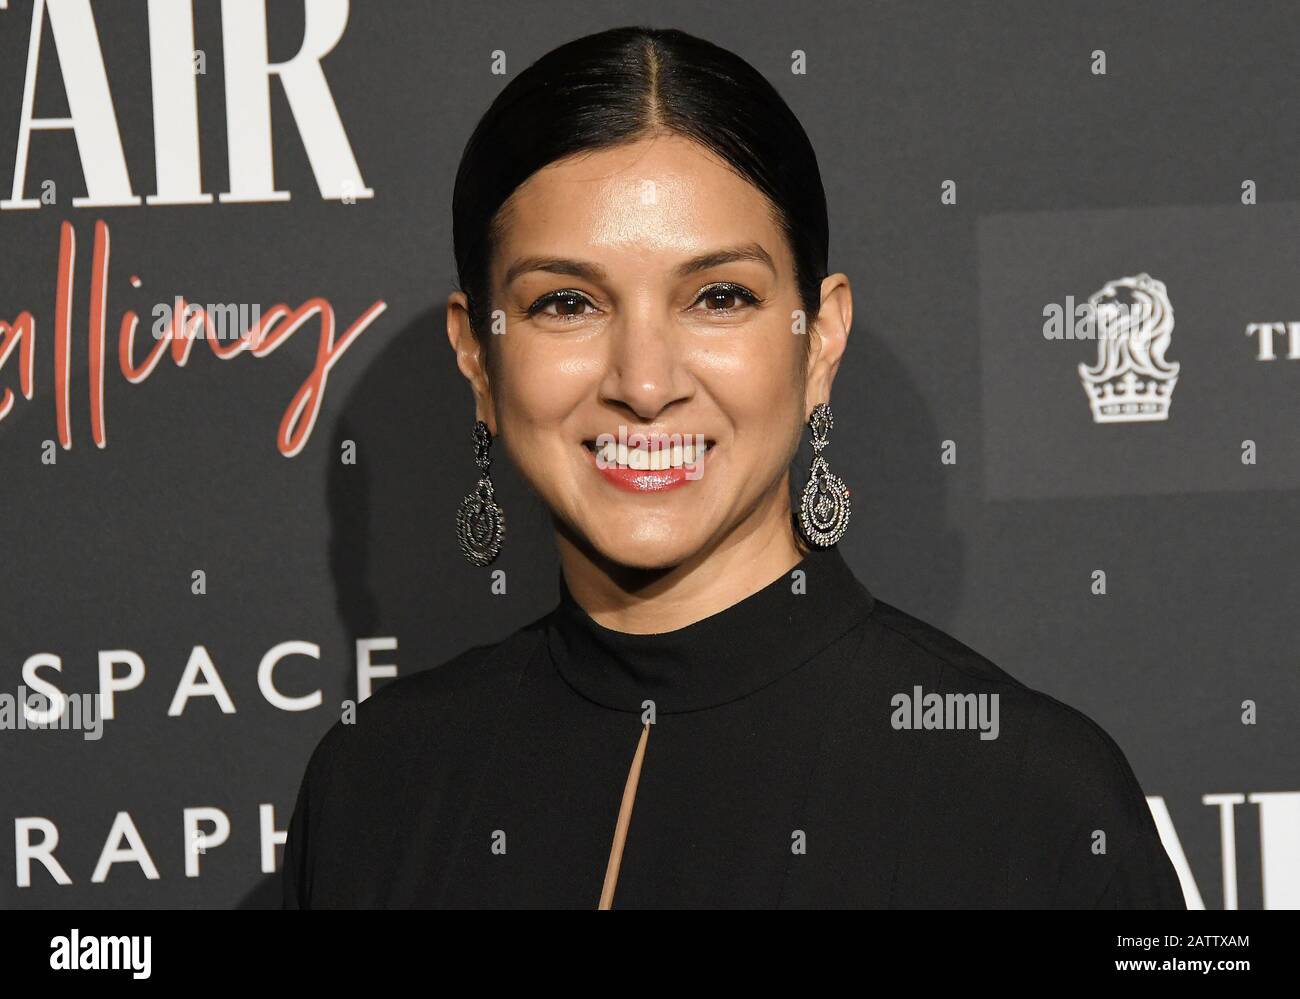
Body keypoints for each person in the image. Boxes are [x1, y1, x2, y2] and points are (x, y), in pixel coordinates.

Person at [282, 25, 1185, 909]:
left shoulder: (1030, 801)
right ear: (478, 354)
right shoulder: (375, 790)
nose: (644, 382)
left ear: (820, 340)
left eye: (719, 297)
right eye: (567, 302)